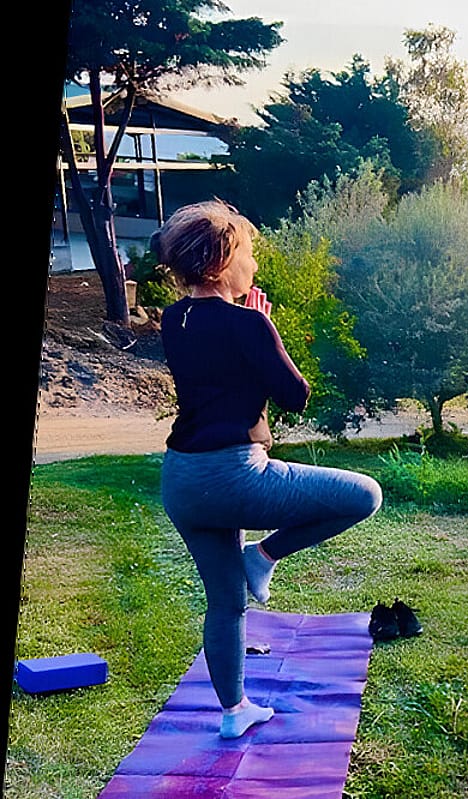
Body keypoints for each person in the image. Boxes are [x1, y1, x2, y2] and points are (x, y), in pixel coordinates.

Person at [153, 200, 383, 739]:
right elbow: (295, 395)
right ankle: (263, 555)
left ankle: (234, 712)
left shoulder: (172, 317)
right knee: (364, 495)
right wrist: (264, 327)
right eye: (249, 255)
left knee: (226, 602)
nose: (254, 266)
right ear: (220, 263)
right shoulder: (248, 323)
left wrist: (251, 325)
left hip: (182, 482)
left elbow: (219, 368)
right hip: (234, 475)